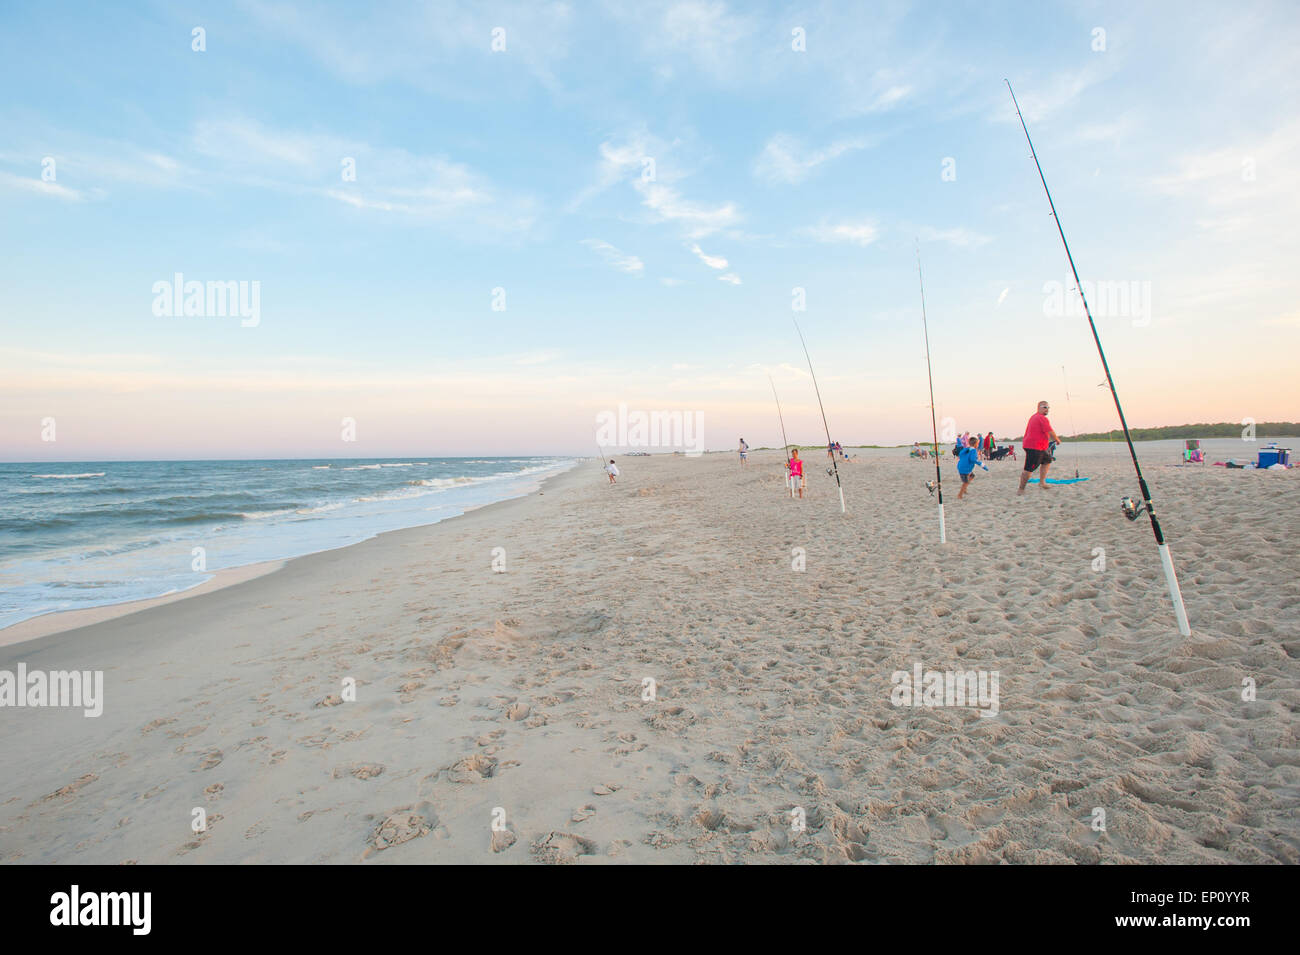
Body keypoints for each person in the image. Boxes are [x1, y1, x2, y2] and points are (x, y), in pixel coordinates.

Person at [1018, 400, 1061, 495]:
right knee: (1029, 469)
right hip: (1034, 447)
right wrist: (1057, 440)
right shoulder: (1040, 418)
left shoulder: (1036, 417)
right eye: (1044, 407)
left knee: (1047, 460)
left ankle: (1042, 483)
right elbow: (1050, 431)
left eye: (1048, 407)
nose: (1047, 409)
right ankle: (1021, 489)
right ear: (1039, 408)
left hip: (1040, 447)